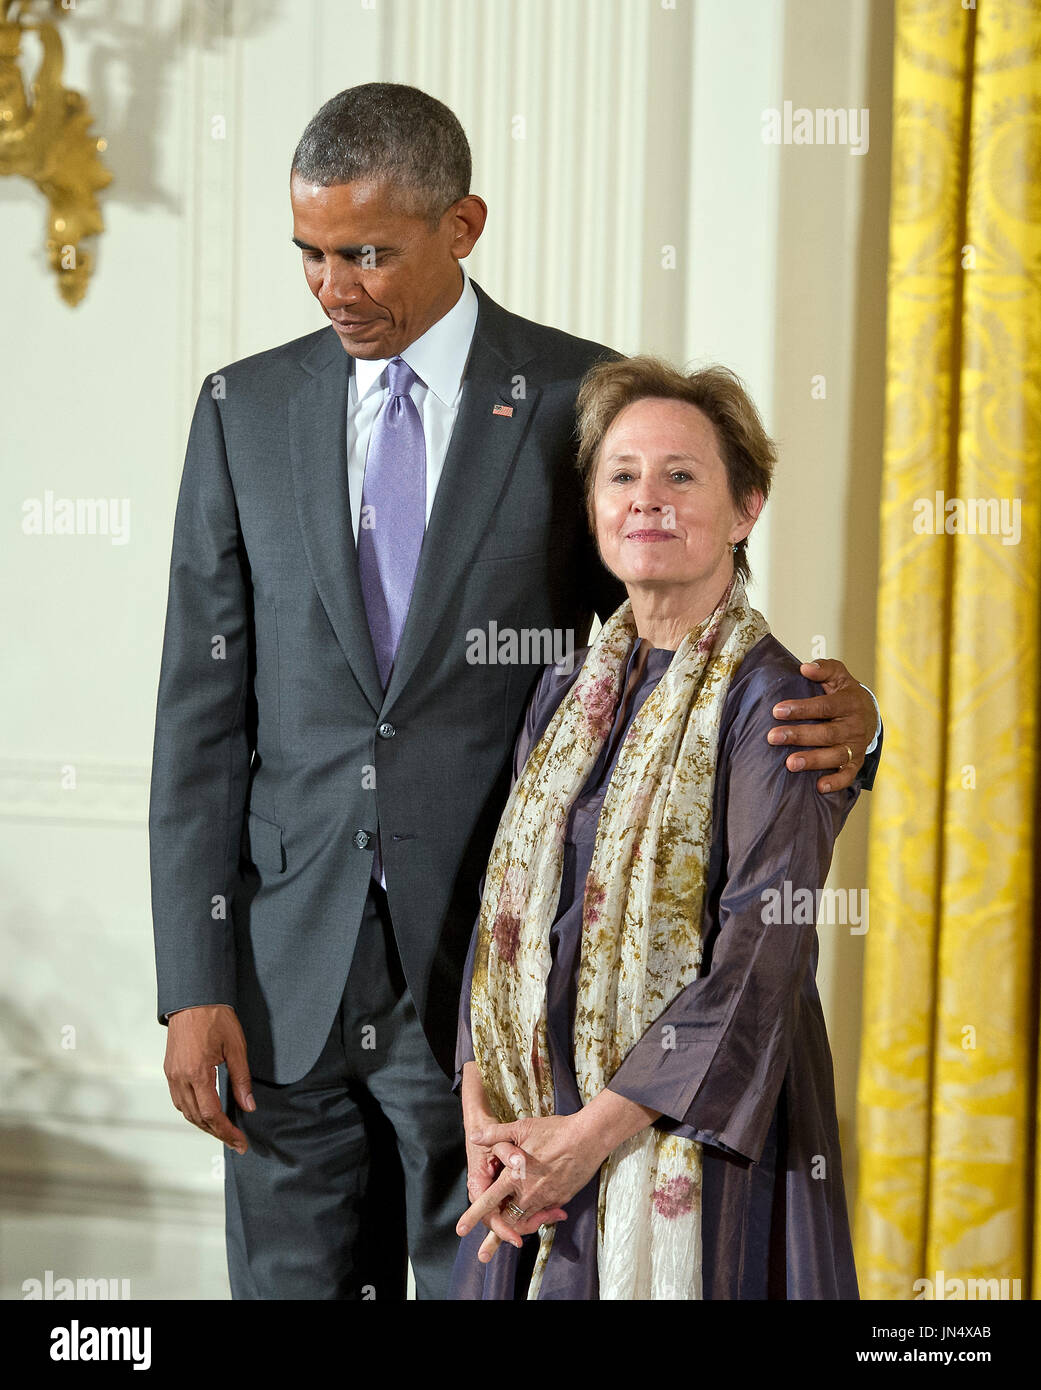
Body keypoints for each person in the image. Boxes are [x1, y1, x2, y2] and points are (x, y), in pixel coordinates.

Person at [148, 83, 881, 1301]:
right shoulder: (244, 409)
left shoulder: (570, 399)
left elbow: (670, 646)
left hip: (495, 995)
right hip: (283, 979)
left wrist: (854, 733)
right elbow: (198, 715)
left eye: (370, 252)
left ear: (464, 224)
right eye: (314, 255)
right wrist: (193, 980)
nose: (337, 286)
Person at [452, 356, 862, 1299]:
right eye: (622, 476)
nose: (648, 500)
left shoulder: (780, 702)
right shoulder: (564, 687)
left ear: (746, 508)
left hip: (692, 1143)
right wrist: (482, 1108)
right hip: (531, 1142)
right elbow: (500, 913)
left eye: (682, 476)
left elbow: (760, 961)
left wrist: (587, 1138)